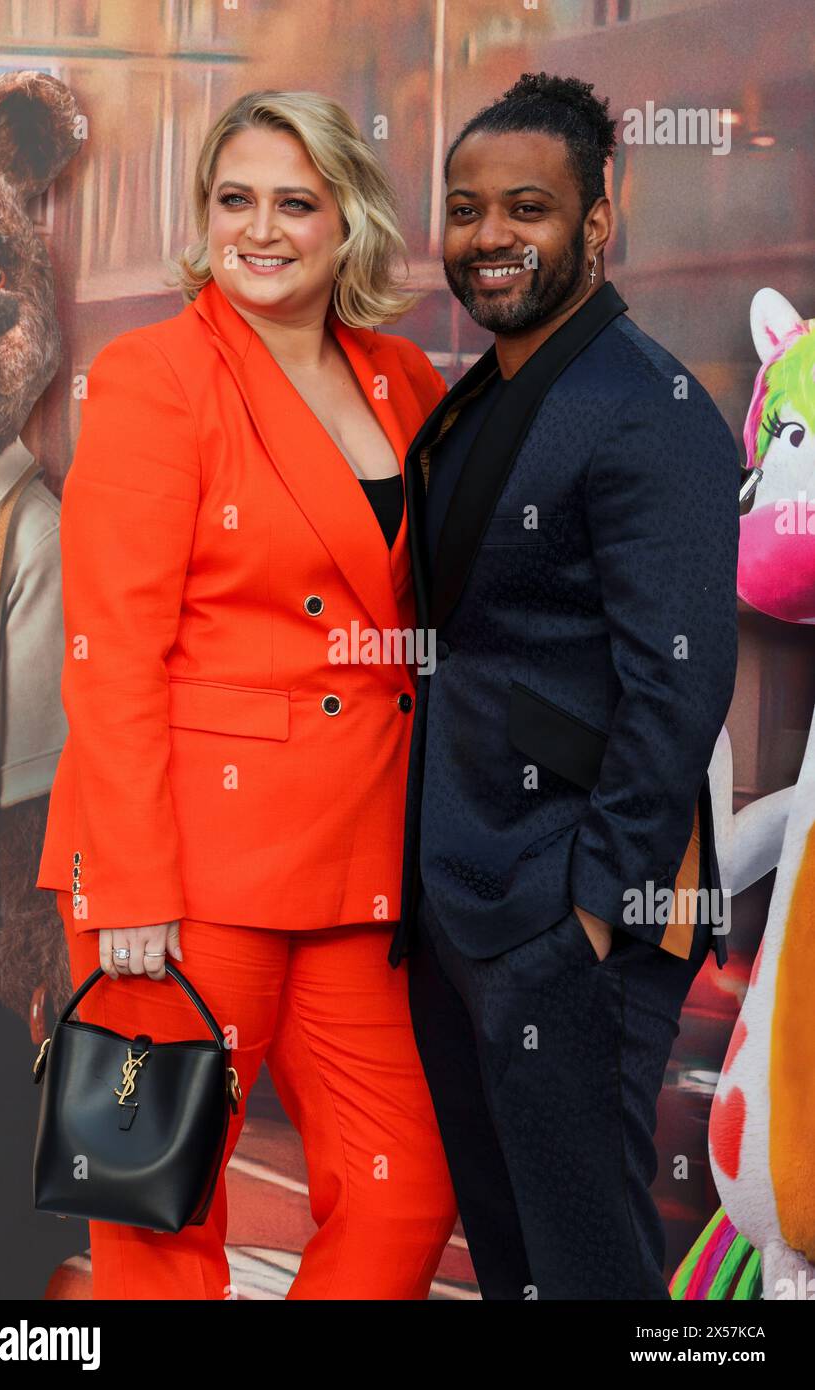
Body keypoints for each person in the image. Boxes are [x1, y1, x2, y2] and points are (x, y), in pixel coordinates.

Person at [35, 88, 457, 1300]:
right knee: (160, 1211)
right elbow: (109, 649)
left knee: (402, 1193)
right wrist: (129, 884)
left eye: (293, 203)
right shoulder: (153, 374)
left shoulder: (402, 379)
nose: (258, 230)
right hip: (185, 870)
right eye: (234, 200)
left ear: (348, 223)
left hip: (359, 860)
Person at [389, 72, 740, 1300]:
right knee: (515, 1266)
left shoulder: (650, 411)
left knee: (587, 1272)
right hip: (465, 902)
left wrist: (592, 915)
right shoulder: (483, 396)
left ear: (596, 217)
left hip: (565, 922)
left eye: (525, 207)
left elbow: (676, 690)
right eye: (466, 208)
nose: (489, 237)